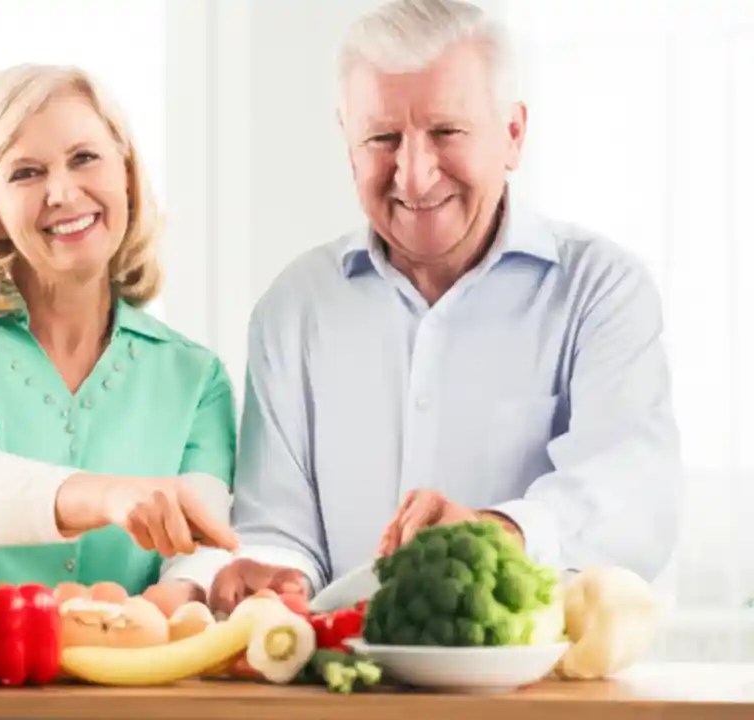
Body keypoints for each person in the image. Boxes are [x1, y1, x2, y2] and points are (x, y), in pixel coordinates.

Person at [208, 0, 683, 615]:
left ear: (513, 134)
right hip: (346, 690)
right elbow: (278, 525)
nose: (414, 175)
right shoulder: (293, 308)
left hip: (543, 696)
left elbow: (633, 496)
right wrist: (276, 578)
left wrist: (498, 532)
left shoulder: (600, 288)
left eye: (446, 132)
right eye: (382, 138)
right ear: (347, 143)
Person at [0, 64, 238, 607]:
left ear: (127, 175)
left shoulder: (196, 376)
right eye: (26, 173)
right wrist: (110, 496)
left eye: (84, 158)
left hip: (123, 680)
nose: (63, 193)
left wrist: (157, 610)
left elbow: (202, 540)